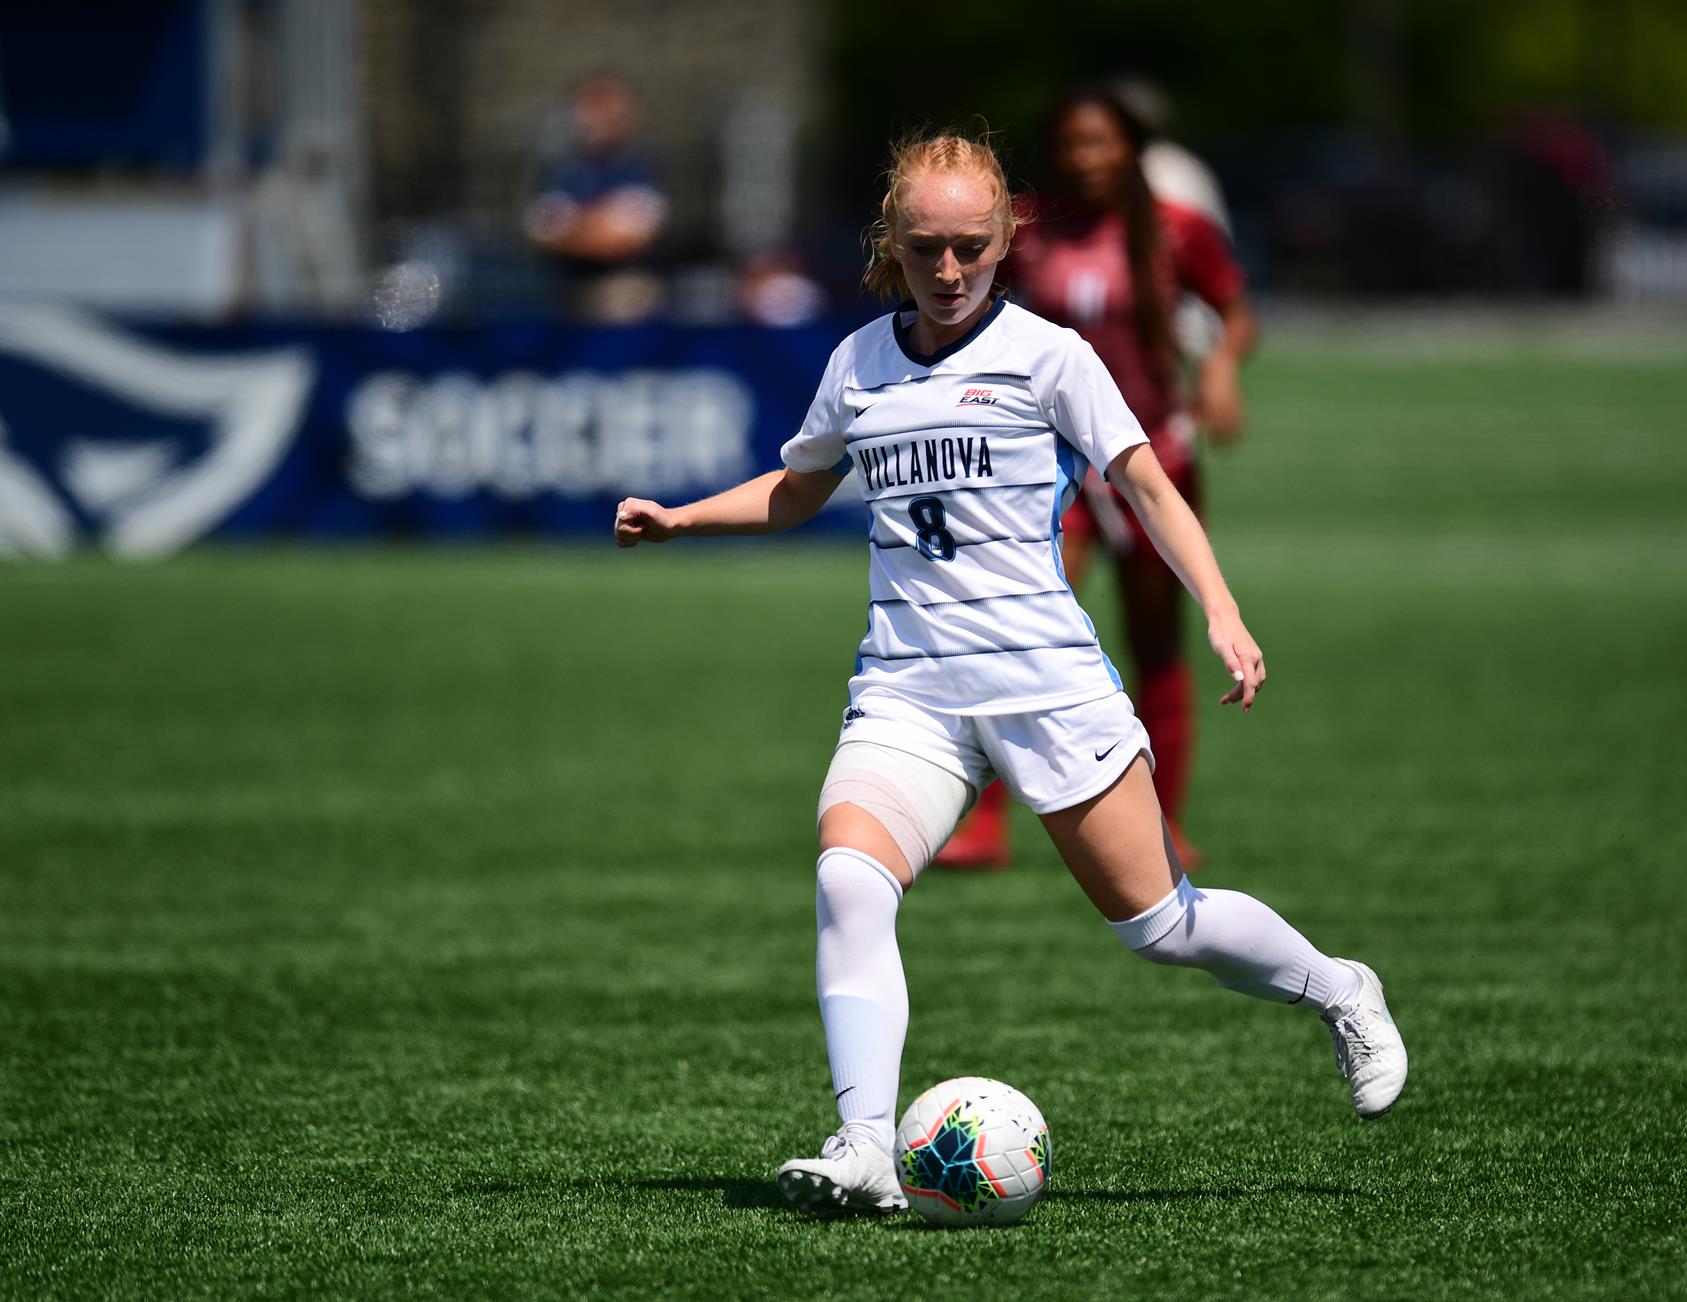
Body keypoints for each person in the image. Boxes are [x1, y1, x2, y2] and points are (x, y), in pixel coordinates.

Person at [613, 130, 1406, 1216]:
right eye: (924, 248)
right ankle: (864, 1145)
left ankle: (1340, 988)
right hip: (907, 691)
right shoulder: (857, 364)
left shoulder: (1050, 357)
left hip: (1045, 688)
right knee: (848, 880)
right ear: (890, 243)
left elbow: (1148, 486)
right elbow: (799, 487)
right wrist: (683, 518)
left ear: (1004, 239)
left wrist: (1220, 609)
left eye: (970, 248)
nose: (948, 270)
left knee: (1161, 925)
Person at [936, 85, 1257, 871]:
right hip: (1049, 467)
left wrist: (1220, 365)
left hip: (1151, 461)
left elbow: (1235, 309)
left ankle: (1164, 821)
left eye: (1101, 142)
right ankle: (986, 822)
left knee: (1155, 642)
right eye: (1071, 144)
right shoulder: (1028, 228)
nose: (1084, 158)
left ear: (1133, 149)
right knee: (1017, 631)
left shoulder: (1177, 229)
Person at [523, 73, 668, 323]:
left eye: (608, 110)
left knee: (628, 298)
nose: (599, 119)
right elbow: (542, 232)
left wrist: (575, 225)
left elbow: (627, 239)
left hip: (623, 284)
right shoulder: (559, 170)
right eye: (591, 108)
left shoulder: (641, 169)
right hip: (563, 285)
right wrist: (598, 223)